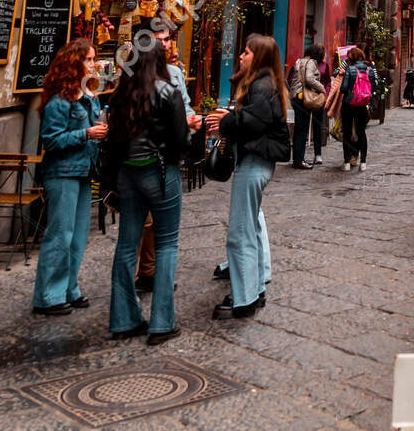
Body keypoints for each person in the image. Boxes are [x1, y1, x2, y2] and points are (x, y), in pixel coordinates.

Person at [102, 39, 189, 346]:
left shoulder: (121, 94)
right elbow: (181, 141)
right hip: (160, 172)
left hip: (128, 173)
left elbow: (112, 141)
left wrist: (110, 183)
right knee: (167, 243)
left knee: (127, 245)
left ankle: (123, 319)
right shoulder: (168, 91)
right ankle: (162, 323)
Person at [205, 34, 290, 319]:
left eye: (246, 52)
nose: (240, 56)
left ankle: (244, 299)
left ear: (259, 57)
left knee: (240, 232)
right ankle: (254, 288)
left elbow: (253, 121)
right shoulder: (265, 84)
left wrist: (226, 120)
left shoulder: (262, 86)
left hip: (254, 162)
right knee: (249, 228)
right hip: (256, 160)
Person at [31, 39, 107, 316]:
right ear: (74, 63)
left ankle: (69, 288)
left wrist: (101, 131)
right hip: (63, 171)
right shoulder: (59, 100)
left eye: (94, 59)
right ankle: (48, 296)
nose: (93, 65)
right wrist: (86, 134)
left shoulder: (88, 96)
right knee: (60, 233)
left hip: (85, 170)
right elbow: (50, 140)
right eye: (88, 59)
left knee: (78, 235)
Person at [137, 25, 201, 294]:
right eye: (159, 41)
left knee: (158, 224)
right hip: (144, 159)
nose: (164, 45)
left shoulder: (175, 73)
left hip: (165, 158)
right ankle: (145, 277)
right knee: (145, 225)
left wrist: (191, 119)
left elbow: (184, 105)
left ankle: (149, 272)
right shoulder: (133, 77)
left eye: (167, 40)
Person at [288, 40, 330, 169]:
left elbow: (291, 79)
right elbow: (309, 79)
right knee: (302, 130)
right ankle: (299, 160)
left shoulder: (299, 61)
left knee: (298, 129)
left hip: (296, 97)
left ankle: (297, 158)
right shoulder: (311, 62)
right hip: (303, 98)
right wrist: (322, 89)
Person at [339, 45, 378, 172]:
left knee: (347, 133)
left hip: (349, 104)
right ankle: (363, 162)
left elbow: (343, 89)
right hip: (362, 105)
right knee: (361, 133)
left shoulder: (349, 69)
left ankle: (347, 163)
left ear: (351, 58)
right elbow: (374, 87)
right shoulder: (369, 70)